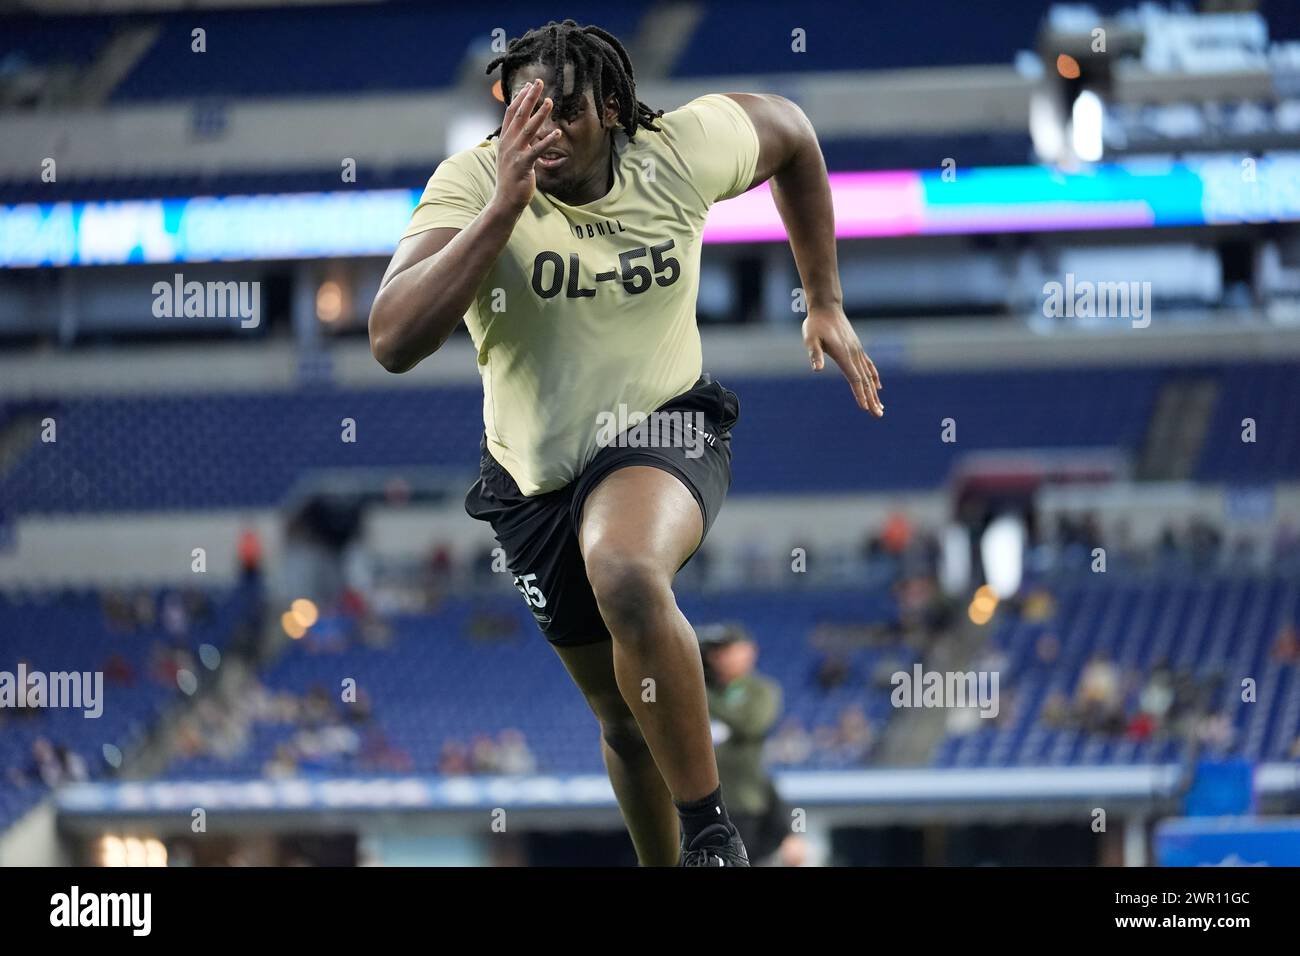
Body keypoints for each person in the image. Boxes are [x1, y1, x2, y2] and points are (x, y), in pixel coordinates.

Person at [369, 19, 882, 867]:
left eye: (566, 111)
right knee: (623, 720)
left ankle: (714, 835)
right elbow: (392, 340)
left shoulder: (676, 152)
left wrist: (821, 295)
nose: (543, 134)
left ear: (612, 106)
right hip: (533, 483)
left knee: (625, 569)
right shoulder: (473, 182)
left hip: (665, 424)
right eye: (524, 113)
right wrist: (501, 209)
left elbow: (791, 133)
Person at [697, 623, 796, 865]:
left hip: (741, 805)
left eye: (725, 650)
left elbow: (751, 724)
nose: (716, 657)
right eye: (713, 651)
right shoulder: (703, 688)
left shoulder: (760, 690)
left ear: (749, 651)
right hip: (695, 805)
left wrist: (698, 693)